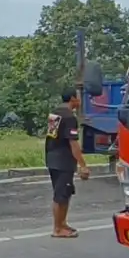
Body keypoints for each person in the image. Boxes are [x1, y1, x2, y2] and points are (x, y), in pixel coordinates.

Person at [45, 88, 92, 238]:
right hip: (63, 161)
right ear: (73, 99)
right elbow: (73, 143)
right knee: (61, 195)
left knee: (64, 192)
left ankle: (62, 223)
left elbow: (52, 137)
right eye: (78, 97)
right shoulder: (70, 117)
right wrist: (83, 165)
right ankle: (58, 228)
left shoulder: (55, 113)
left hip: (52, 158)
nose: (80, 101)